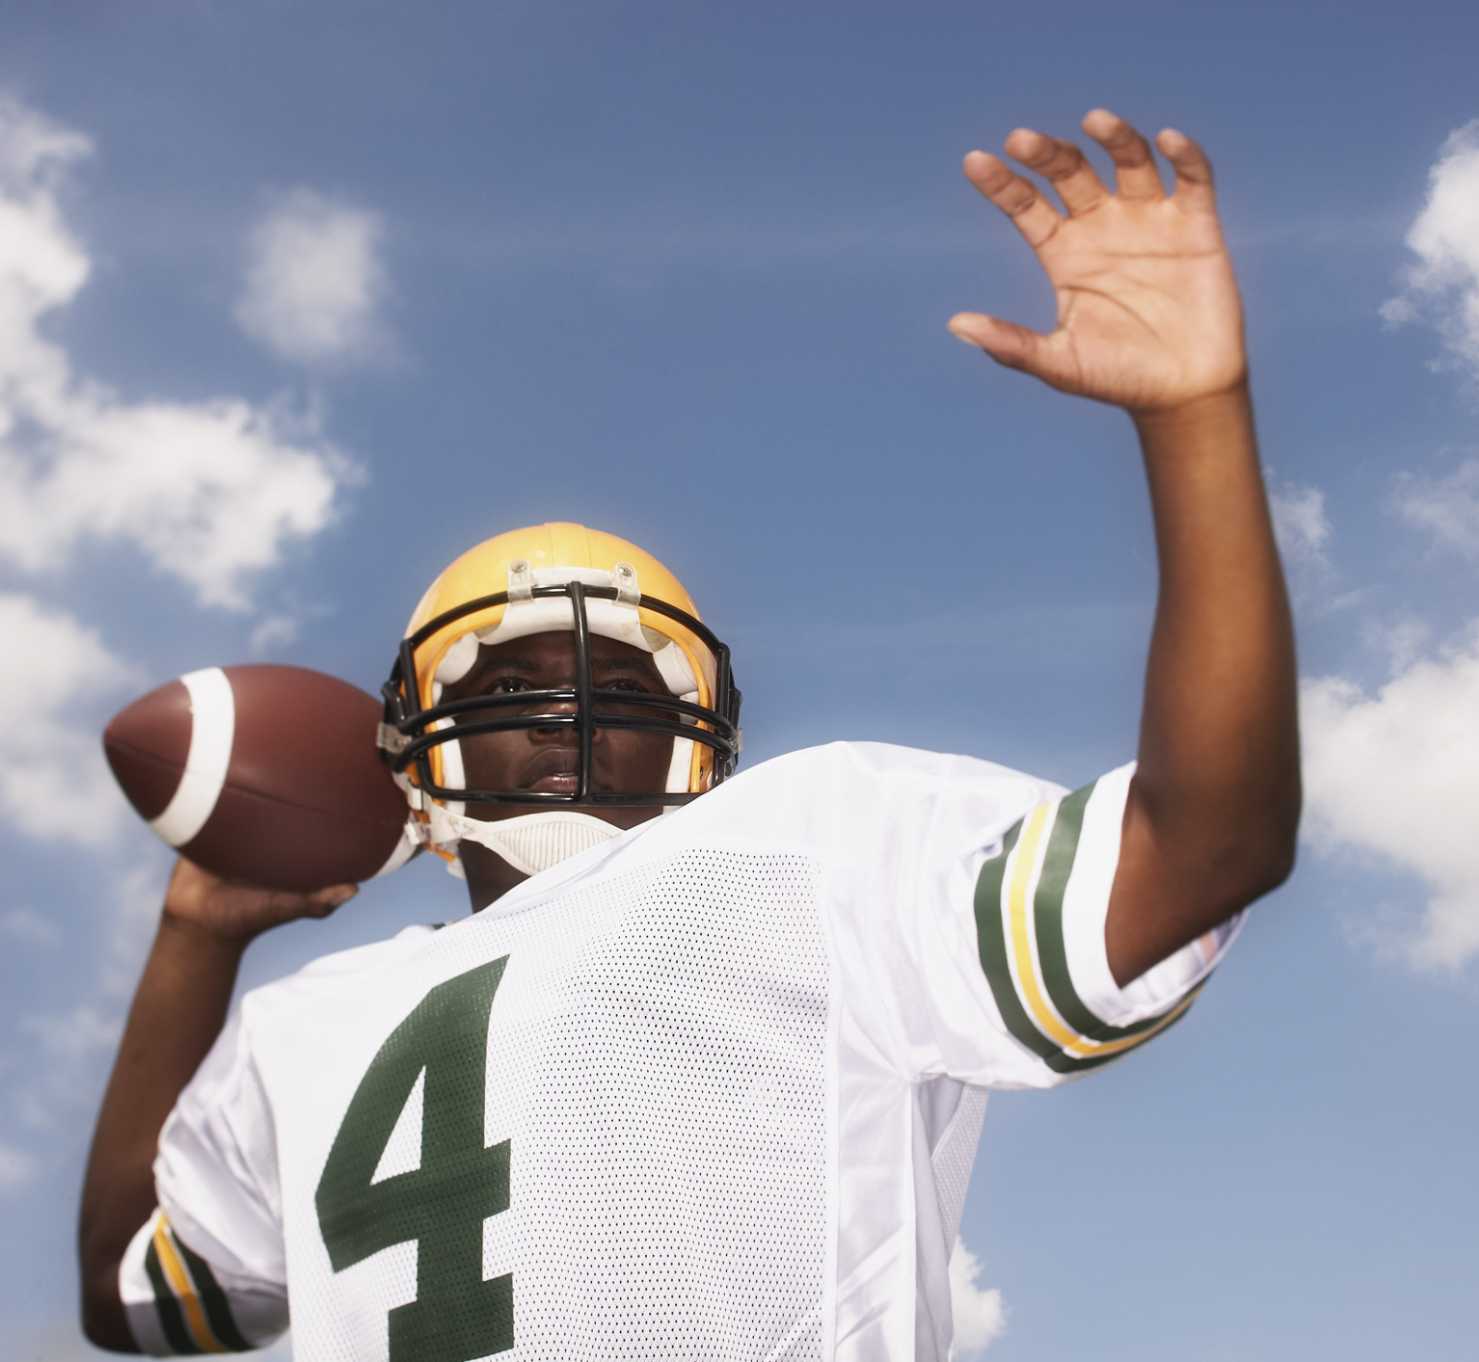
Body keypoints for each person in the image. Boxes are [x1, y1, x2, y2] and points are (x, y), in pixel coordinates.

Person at [76, 107, 1298, 1360]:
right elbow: (131, 1302)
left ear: (698, 734)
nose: (574, 714)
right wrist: (197, 934)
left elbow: (1205, 848)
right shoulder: (307, 1022)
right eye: (512, 686)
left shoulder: (805, 842)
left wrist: (1192, 419)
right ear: (417, 758)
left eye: (628, 686)